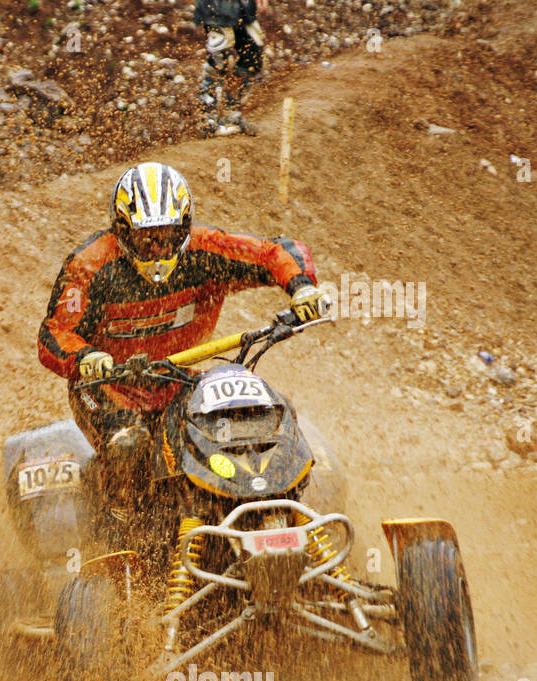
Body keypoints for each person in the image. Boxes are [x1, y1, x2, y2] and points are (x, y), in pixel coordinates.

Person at [37, 161, 329, 507]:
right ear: (122, 231)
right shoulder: (91, 266)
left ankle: (275, 506)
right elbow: (55, 333)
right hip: (108, 385)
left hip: (178, 377)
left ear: (185, 227)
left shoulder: (205, 251)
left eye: (168, 236)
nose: (158, 249)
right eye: (147, 238)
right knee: (129, 445)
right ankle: (119, 529)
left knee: (259, 412)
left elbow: (273, 252)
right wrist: (86, 358)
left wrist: (301, 287)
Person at [194, 0, 269, 136]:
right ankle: (207, 118)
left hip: (242, 5)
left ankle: (231, 112)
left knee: (252, 57)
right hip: (216, 6)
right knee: (221, 57)